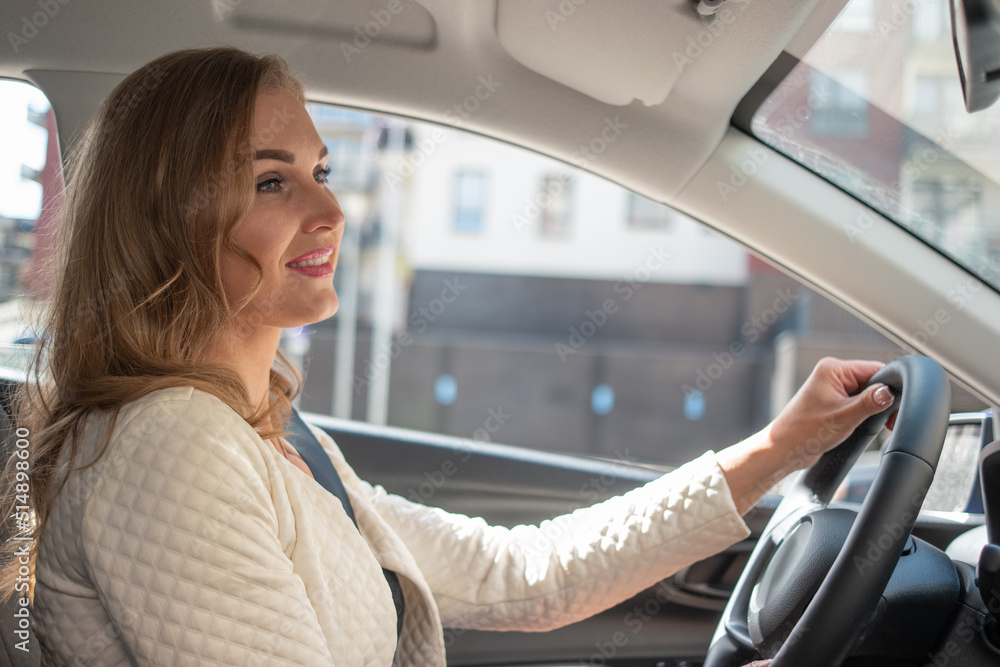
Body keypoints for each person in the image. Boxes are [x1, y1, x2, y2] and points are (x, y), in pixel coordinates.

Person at [0, 47, 896, 666]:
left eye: (322, 170)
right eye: (272, 180)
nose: (329, 211)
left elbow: (520, 574)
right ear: (170, 220)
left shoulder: (261, 433)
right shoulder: (169, 446)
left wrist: (781, 447)